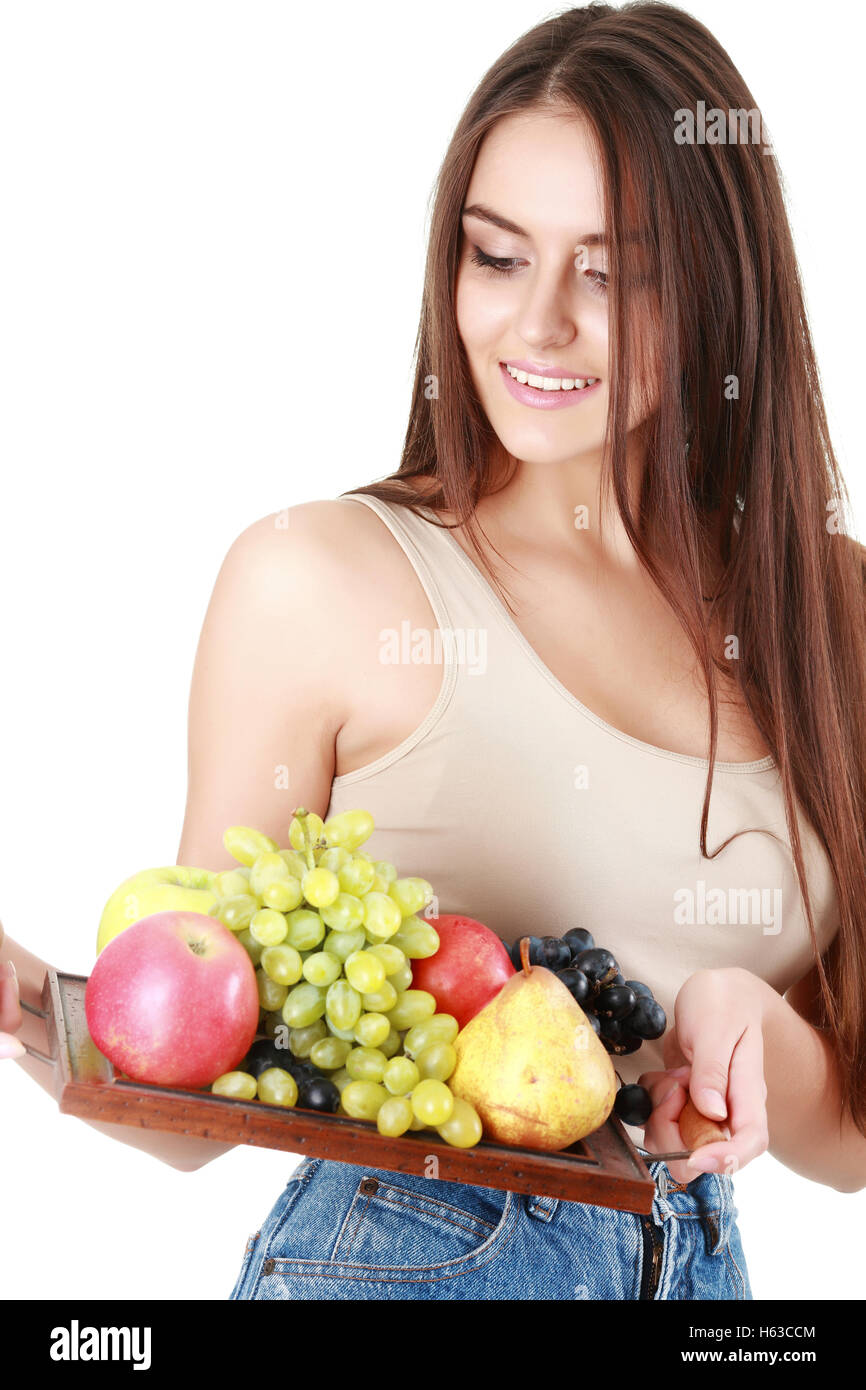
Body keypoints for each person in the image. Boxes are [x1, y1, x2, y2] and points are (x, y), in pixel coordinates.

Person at [4, 2, 866, 1300]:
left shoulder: (831, 615)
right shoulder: (321, 581)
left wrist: (751, 1036)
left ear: (714, 281)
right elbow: (193, 1064)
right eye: (495, 255)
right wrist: (30, 1009)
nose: (535, 327)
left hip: (695, 1280)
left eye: (610, 270)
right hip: (408, 1264)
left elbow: (848, 1135)